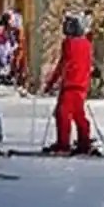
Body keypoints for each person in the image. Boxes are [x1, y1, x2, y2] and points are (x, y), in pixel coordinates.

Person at [42, 12, 95, 155]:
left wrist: (51, 82)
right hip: (82, 84)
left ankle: (63, 144)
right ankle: (84, 141)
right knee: (78, 114)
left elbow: (63, 64)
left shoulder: (69, 43)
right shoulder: (87, 44)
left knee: (63, 114)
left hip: (70, 83)